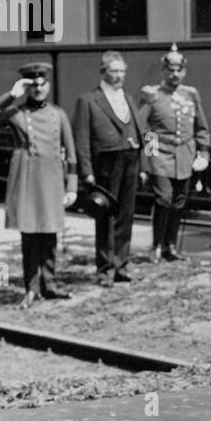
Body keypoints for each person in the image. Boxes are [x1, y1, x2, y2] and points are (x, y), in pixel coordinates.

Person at [0, 62, 78, 309]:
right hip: (26, 176)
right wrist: (12, 94)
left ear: (48, 85)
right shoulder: (16, 113)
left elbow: (73, 155)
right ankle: (31, 289)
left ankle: (50, 285)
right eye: (32, 85)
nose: (38, 88)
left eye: (42, 83)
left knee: (50, 233)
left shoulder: (59, 114)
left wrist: (72, 187)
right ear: (27, 87)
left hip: (52, 178)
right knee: (29, 235)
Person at [73, 51, 146, 288]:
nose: (119, 76)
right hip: (105, 163)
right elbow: (81, 139)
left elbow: (144, 133)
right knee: (105, 217)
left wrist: (147, 163)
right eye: (114, 71)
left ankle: (121, 265)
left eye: (122, 71)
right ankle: (105, 269)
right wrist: (86, 172)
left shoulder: (129, 98)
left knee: (126, 216)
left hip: (130, 159)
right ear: (103, 72)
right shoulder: (88, 100)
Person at [138, 45, 210, 262]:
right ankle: (156, 246)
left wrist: (203, 153)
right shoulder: (152, 95)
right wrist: (150, 158)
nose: (175, 74)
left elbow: (201, 127)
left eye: (179, 70)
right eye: (170, 70)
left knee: (179, 200)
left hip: (185, 155)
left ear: (184, 72)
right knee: (164, 199)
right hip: (160, 155)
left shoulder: (191, 94)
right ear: (163, 71)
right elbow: (142, 126)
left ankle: (170, 246)